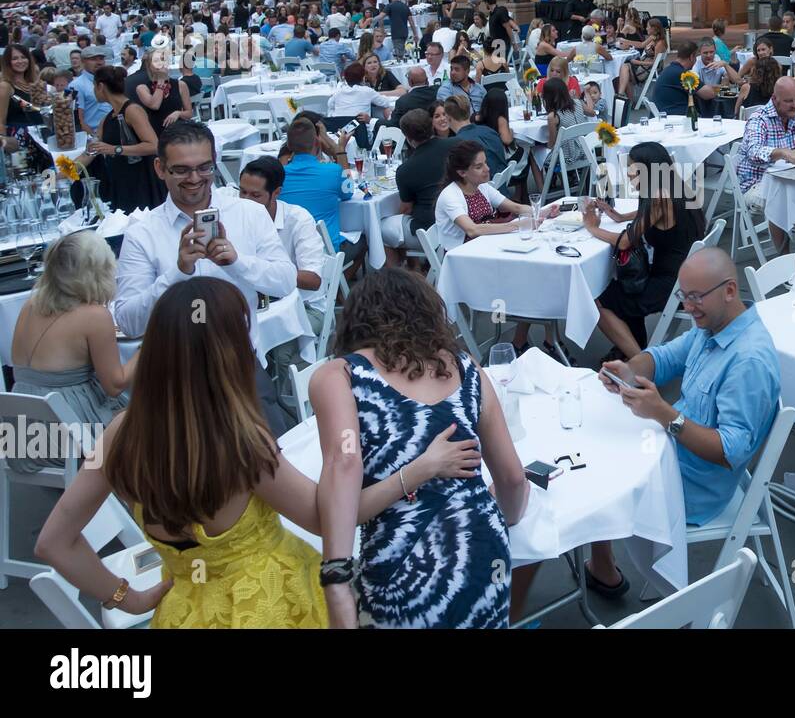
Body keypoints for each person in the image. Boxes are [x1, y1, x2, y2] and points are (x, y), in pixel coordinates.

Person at [35, 278, 330, 628]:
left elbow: (53, 542)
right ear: (230, 352)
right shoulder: (242, 442)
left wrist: (128, 599)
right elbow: (325, 517)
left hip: (183, 612)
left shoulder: (121, 433)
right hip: (274, 606)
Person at [309, 269, 528, 628]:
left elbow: (343, 478)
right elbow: (513, 479)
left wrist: (336, 580)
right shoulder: (465, 366)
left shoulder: (340, 376)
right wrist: (510, 514)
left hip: (403, 570)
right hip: (483, 554)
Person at [589, 248, 780, 597]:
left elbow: (730, 452)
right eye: (683, 296)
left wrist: (664, 413)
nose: (687, 307)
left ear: (730, 290)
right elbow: (663, 358)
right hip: (671, 453)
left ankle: (679, 606)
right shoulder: (715, 325)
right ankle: (601, 564)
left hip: (696, 487)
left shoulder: (748, 360)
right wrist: (631, 371)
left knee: (595, 472)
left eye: (695, 297)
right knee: (594, 439)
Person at [111, 122, 298, 434]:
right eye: (181, 170)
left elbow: (285, 280)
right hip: (173, 376)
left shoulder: (248, 214)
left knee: (273, 465)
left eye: (204, 168)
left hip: (240, 366)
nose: (195, 179)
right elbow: (128, 321)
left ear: (215, 162)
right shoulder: (143, 233)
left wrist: (237, 262)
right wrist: (177, 273)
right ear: (160, 168)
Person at [7, 233, 135, 475]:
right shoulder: (94, 316)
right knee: (151, 420)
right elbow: (115, 384)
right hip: (65, 436)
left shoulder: (30, 305)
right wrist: (144, 351)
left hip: (19, 436)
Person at [584, 142, 706, 357]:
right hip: (688, 275)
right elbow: (650, 214)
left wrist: (592, 228)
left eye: (633, 168)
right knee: (626, 284)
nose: (629, 173)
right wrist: (620, 216)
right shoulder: (676, 185)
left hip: (671, 285)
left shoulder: (659, 197)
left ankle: (641, 361)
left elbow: (624, 242)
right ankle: (633, 345)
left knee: (597, 298)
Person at [239, 156, 329, 395]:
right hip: (254, 308)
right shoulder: (237, 219)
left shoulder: (297, 219)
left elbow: (313, 280)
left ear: (276, 193)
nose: (246, 201)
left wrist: (264, 271)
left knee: (280, 352)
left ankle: (293, 412)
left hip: (305, 308)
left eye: (255, 195)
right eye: (242, 193)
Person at [737, 76, 795, 250]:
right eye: (788, 101)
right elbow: (753, 151)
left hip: (794, 177)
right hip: (757, 183)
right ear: (775, 99)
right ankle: (784, 258)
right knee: (780, 196)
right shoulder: (760, 119)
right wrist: (781, 153)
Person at [435, 139, 554, 250]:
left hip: (486, 244)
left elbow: (516, 207)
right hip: (462, 253)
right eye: (479, 167)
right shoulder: (450, 196)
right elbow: (472, 230)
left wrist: (543, 212)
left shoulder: (481, 186)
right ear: (462, 173)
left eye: (485, 163)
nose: (487, 169)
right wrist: (518, 225)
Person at [278, 116, 363, 262]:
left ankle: (334, 282)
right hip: (325, 249)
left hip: (289, 249)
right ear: (317, 142)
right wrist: (341, 150)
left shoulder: (278, 175)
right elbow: (348, 192)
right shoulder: (332, 171)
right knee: (364, 240)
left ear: (289, 146)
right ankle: (336, 283)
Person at [84, 65, 165, 212]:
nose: (93, 91)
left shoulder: (132, 110)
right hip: (121, 184)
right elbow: (89, 153)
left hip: (141, 184)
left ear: (100, 86)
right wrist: (63, 171)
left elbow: (153, 145)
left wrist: (116, 149)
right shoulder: (106, 119)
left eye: (94, 86)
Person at [379, 109, 453, 261]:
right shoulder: (455, 145)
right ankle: (415, 268)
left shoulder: (406, 170)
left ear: (407, 138)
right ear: (432, 126)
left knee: (379, 230)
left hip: (432, 228)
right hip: (457, 219)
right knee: (398, 226)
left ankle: (398, 281)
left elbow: (406, 209)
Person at [127, 48, 193, 137]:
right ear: (149, 65)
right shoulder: (142, 88)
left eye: (163, 59)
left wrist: (178, 113)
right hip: (156, 133)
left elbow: (189, 113)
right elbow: (155, 105)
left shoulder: (181, 85)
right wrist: (161, 80)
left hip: (178, 132)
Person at [1, 43, 52, 153]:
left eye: (23, 57)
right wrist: (5, 148)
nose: (20, 61)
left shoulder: (35, 83)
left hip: (40, 138)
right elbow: (1, 121)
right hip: (18, 142)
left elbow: (41, 113)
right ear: (8, 63)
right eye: (15, 58)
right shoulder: (5, 86)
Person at [328, 61, 394, 141]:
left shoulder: (338, 92)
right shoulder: (367, 91)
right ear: (363, 77)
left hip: (339, 132)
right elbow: (385, 103)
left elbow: (330, 105)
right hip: (361, 134)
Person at [444, 92, 506, 174]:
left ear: (448, 118)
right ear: (469, 112)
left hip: (483, 185)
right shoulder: (489, 131)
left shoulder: (457, 144)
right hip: (501, 183)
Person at [542, 76, 588, 178]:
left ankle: (544, 188)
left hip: (568, 157)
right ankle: (567, 179)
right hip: (585, 149)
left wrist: (543, 146)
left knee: (535, 154)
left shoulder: (553, 116)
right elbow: (591, 112)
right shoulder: (577, 102)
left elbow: (552, 144)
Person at [653, 41, 715, 117]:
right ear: (692, 57)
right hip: (675, 116)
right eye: (695, 57)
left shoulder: (670, 69)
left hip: (663, 113)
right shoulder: (683, 74)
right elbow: (709, 94)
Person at [617, 18, 668, 97]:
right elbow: (641, 45)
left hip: (650, 69)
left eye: (648, 26)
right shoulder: (653, 37)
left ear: (654, 28)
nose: (646, 28)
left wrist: (637, 62)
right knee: (624, 69)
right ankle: (624, 97)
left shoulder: (660, 43)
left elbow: (655, 63)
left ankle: (621, 96)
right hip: (645, 65)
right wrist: (626, 41)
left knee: (624, 70)